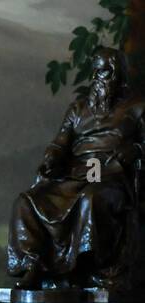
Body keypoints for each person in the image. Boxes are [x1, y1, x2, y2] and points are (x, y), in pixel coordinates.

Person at [8, 46, 145, 290]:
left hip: (111, 173)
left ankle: (82, 269)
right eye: (94, 72)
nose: (95, 79)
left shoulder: (137, 107)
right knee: (26, 202)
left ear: (116, 74)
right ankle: (33, 265)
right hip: (74, 174)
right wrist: (51, 157)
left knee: (90, 199)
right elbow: (60, 143)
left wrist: (135, 150)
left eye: (101, 72)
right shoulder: (78, 109)